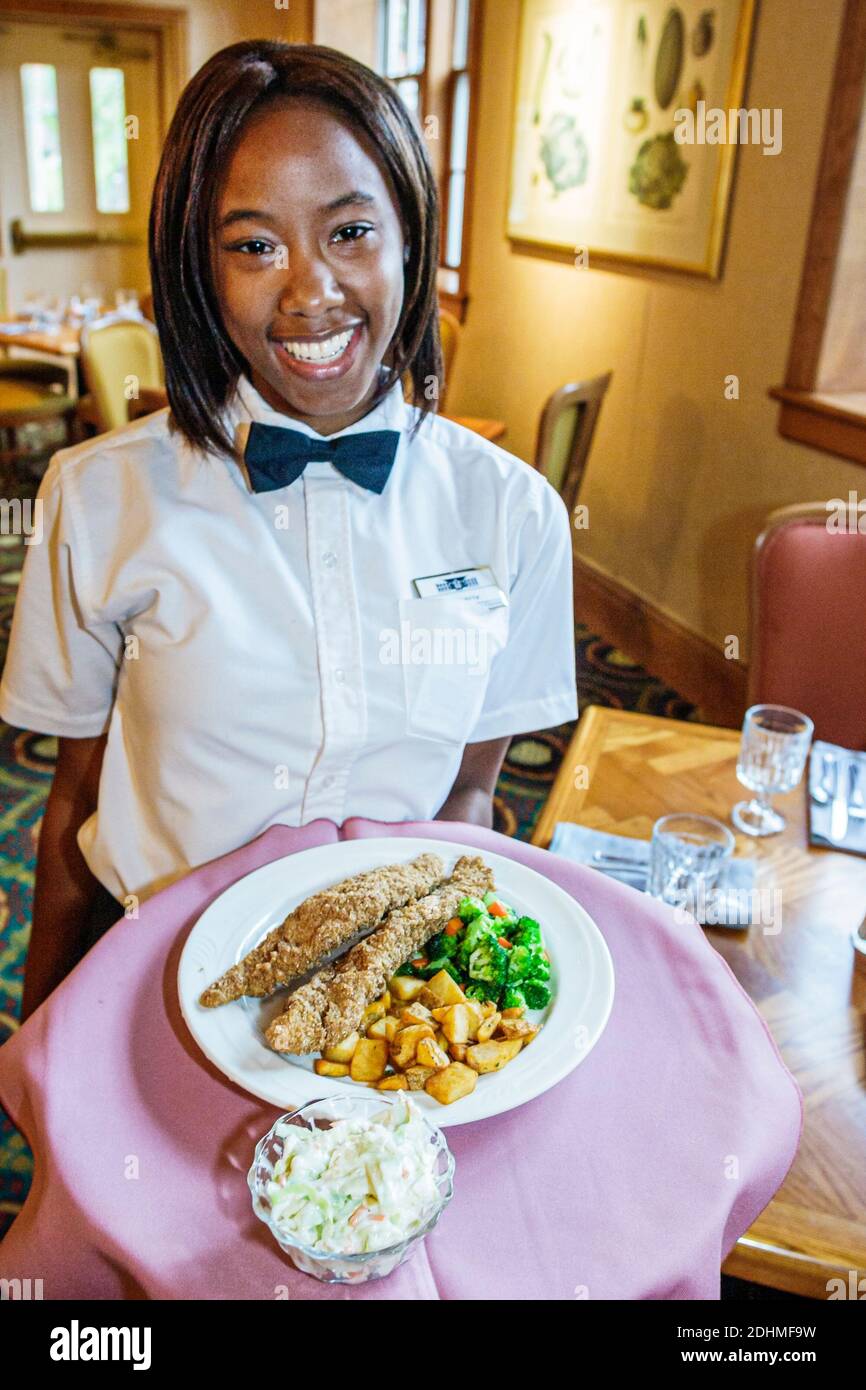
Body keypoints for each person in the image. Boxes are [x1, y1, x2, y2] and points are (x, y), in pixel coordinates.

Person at [0, 41, 577, 1021]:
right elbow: (70, 811)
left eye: (349, 230)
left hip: (388, 1000)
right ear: (199, 267)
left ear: (410, 237)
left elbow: (470, 800)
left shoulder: (514, 514)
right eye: (255, 245)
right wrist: (36, 1046)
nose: (309, 291)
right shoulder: (94, 497)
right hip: (160, 989)